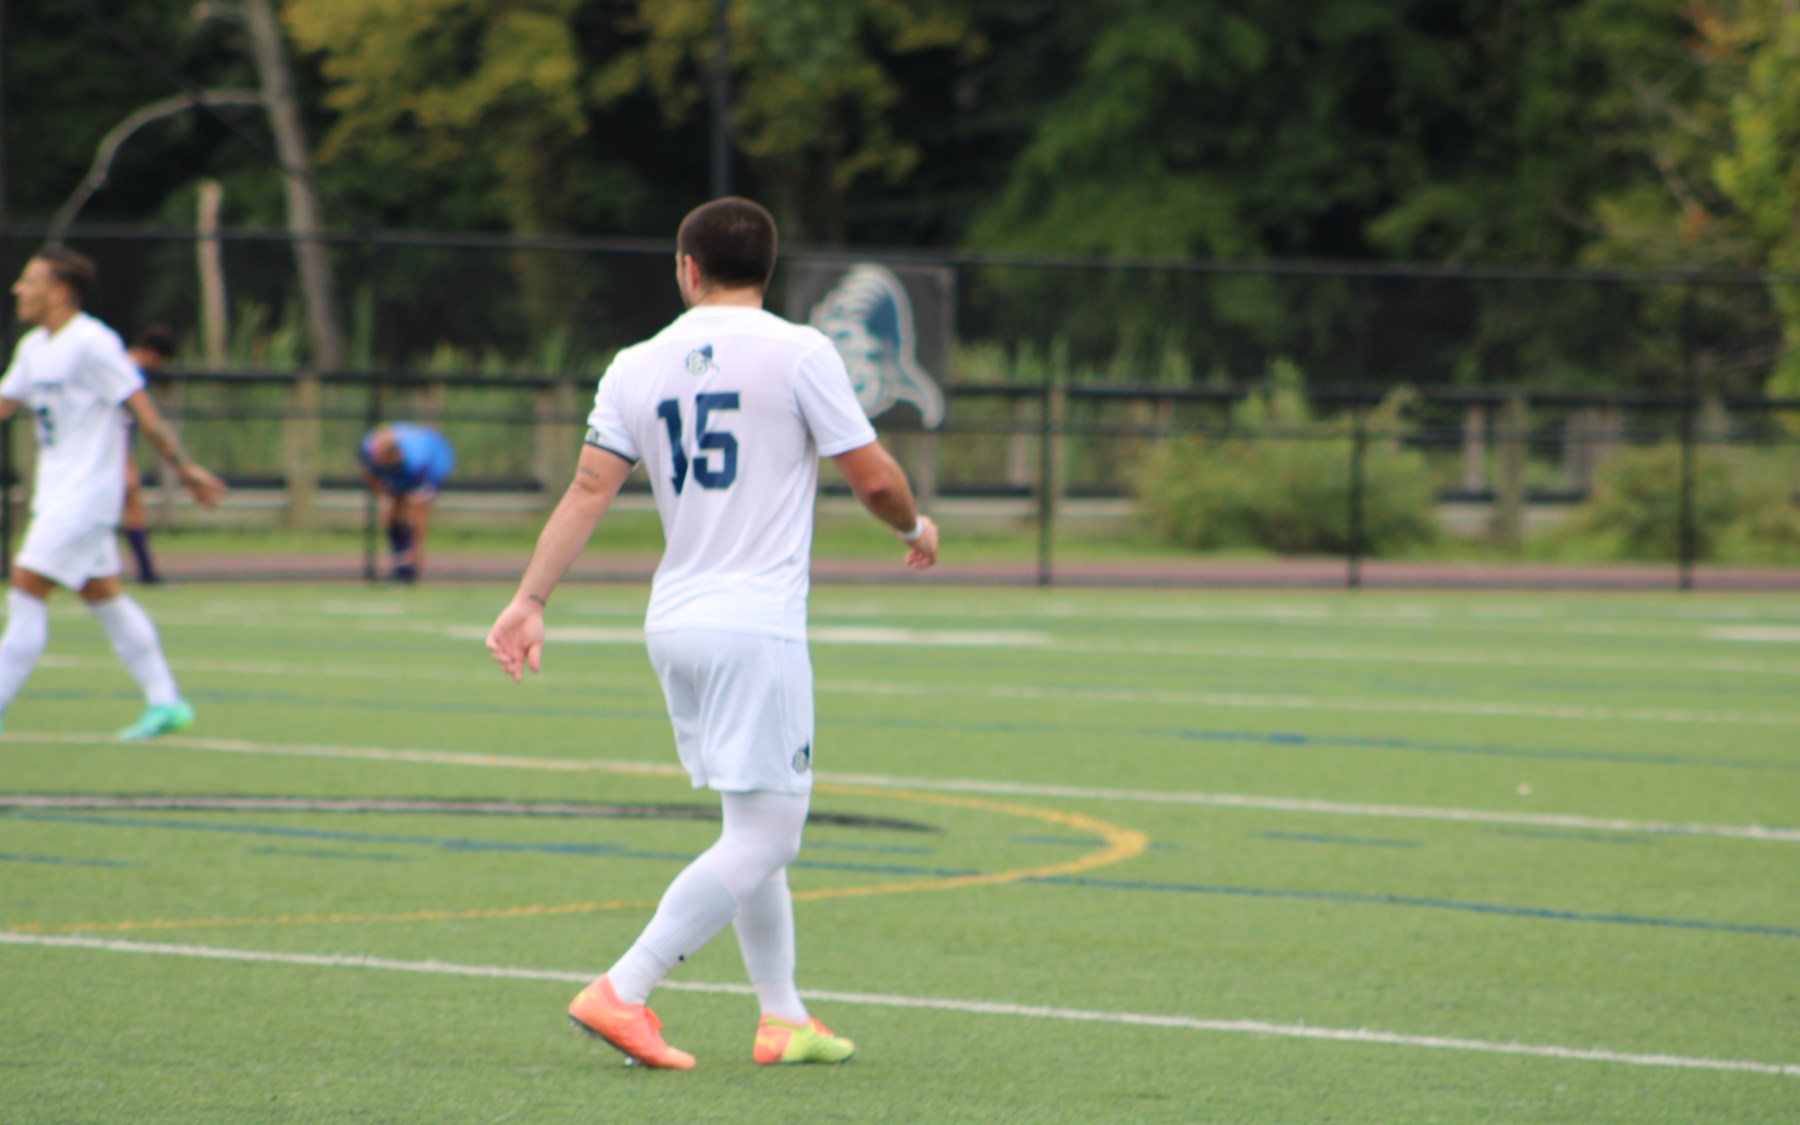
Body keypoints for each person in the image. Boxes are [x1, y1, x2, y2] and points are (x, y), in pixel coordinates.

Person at [485, 197, 938, 1071]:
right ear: (766, 269)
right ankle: (624, 987)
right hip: (753, 625)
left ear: (687, 268)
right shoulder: (801, 348)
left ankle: (783, 1017)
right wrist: (914, 529)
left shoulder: (635, 362)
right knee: (772, 833)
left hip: (675, 621)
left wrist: (529, 598)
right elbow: (876, 481)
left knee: (749, 819)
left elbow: (587, 489)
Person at [0, 248, 227, 738]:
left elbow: (141, 409)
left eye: (29, 281)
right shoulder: (35, 347)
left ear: (59, 292)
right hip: (58, 495)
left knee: (25, 588)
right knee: (104, 596)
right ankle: (166, 702)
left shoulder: (93, 342)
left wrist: (184, 467)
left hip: (84, 499)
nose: (19, 289)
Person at [359, 422, 455, 582]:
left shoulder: (419, 460)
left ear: (396, 455)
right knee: (394, 508)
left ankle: (415, 563)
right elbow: (374, 480)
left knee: (417, 510)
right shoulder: (368, 448)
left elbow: (418, 501)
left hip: (434, 459)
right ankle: (399, 559)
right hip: (403, 463)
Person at [121, 324, 179, 584]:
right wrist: (126, 461)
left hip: (111, 450)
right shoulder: (129, 372)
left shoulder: (123, 365)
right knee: (130, 501)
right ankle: (145, 572)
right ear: (153, 353)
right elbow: (125, 419)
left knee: (131, 503)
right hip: (106, 451)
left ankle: (146, 571)